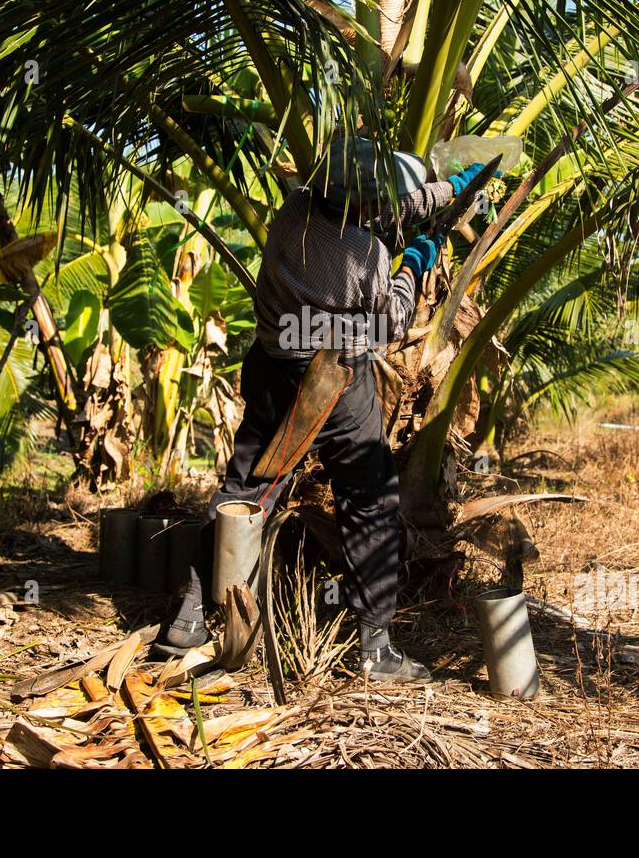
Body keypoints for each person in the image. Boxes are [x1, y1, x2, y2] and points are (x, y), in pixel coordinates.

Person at [153, 137, 487, 683]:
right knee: (369, 496)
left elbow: (387, 208)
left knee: (246, 492)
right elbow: (393, 321)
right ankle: (376, 651)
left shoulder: (298, 209)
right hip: (329, 381)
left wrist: (451, 190)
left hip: (269, 365)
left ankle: (187, 620)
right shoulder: (368, 258)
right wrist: (415, 262)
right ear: (362, 202)